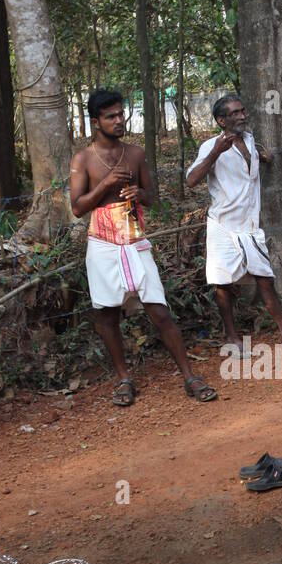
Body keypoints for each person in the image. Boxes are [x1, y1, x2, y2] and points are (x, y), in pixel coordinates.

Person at [70, 88, 217, 405]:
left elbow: (153, 199)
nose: (119, 120)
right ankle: (124, 379)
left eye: (121, 114)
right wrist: (106, 185)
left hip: (135, 240)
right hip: (102, 245)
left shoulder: (135, 154)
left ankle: (190, 376)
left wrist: (139, 193)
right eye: (110, 116)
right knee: (108, 315)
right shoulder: (83, 159)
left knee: (159, 310)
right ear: (96, 122)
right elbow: (77, 207)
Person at [186, 93, 282, 346]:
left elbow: (251, 164)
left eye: (242, 111)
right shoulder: (210, 146)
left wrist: (263, 158)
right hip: (222, 225)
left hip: (249, 226)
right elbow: (191, 181)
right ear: (221, 121)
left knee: (265, 278)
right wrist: (215, 153)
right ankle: (232, 338)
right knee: (223, 284)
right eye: (234, 113)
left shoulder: (250, 141)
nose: (242, 116)